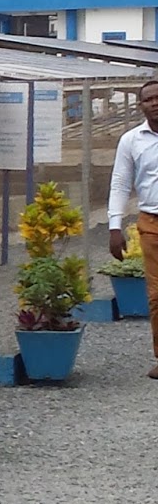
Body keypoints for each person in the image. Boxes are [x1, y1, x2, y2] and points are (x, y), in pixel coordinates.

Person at [107, 78, 158, 378]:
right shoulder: (131, 141)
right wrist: (115, 227)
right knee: (156, 295)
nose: (155, 103)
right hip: (151, 223)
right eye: (148, 99)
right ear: (141, 105)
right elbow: (120, 183)